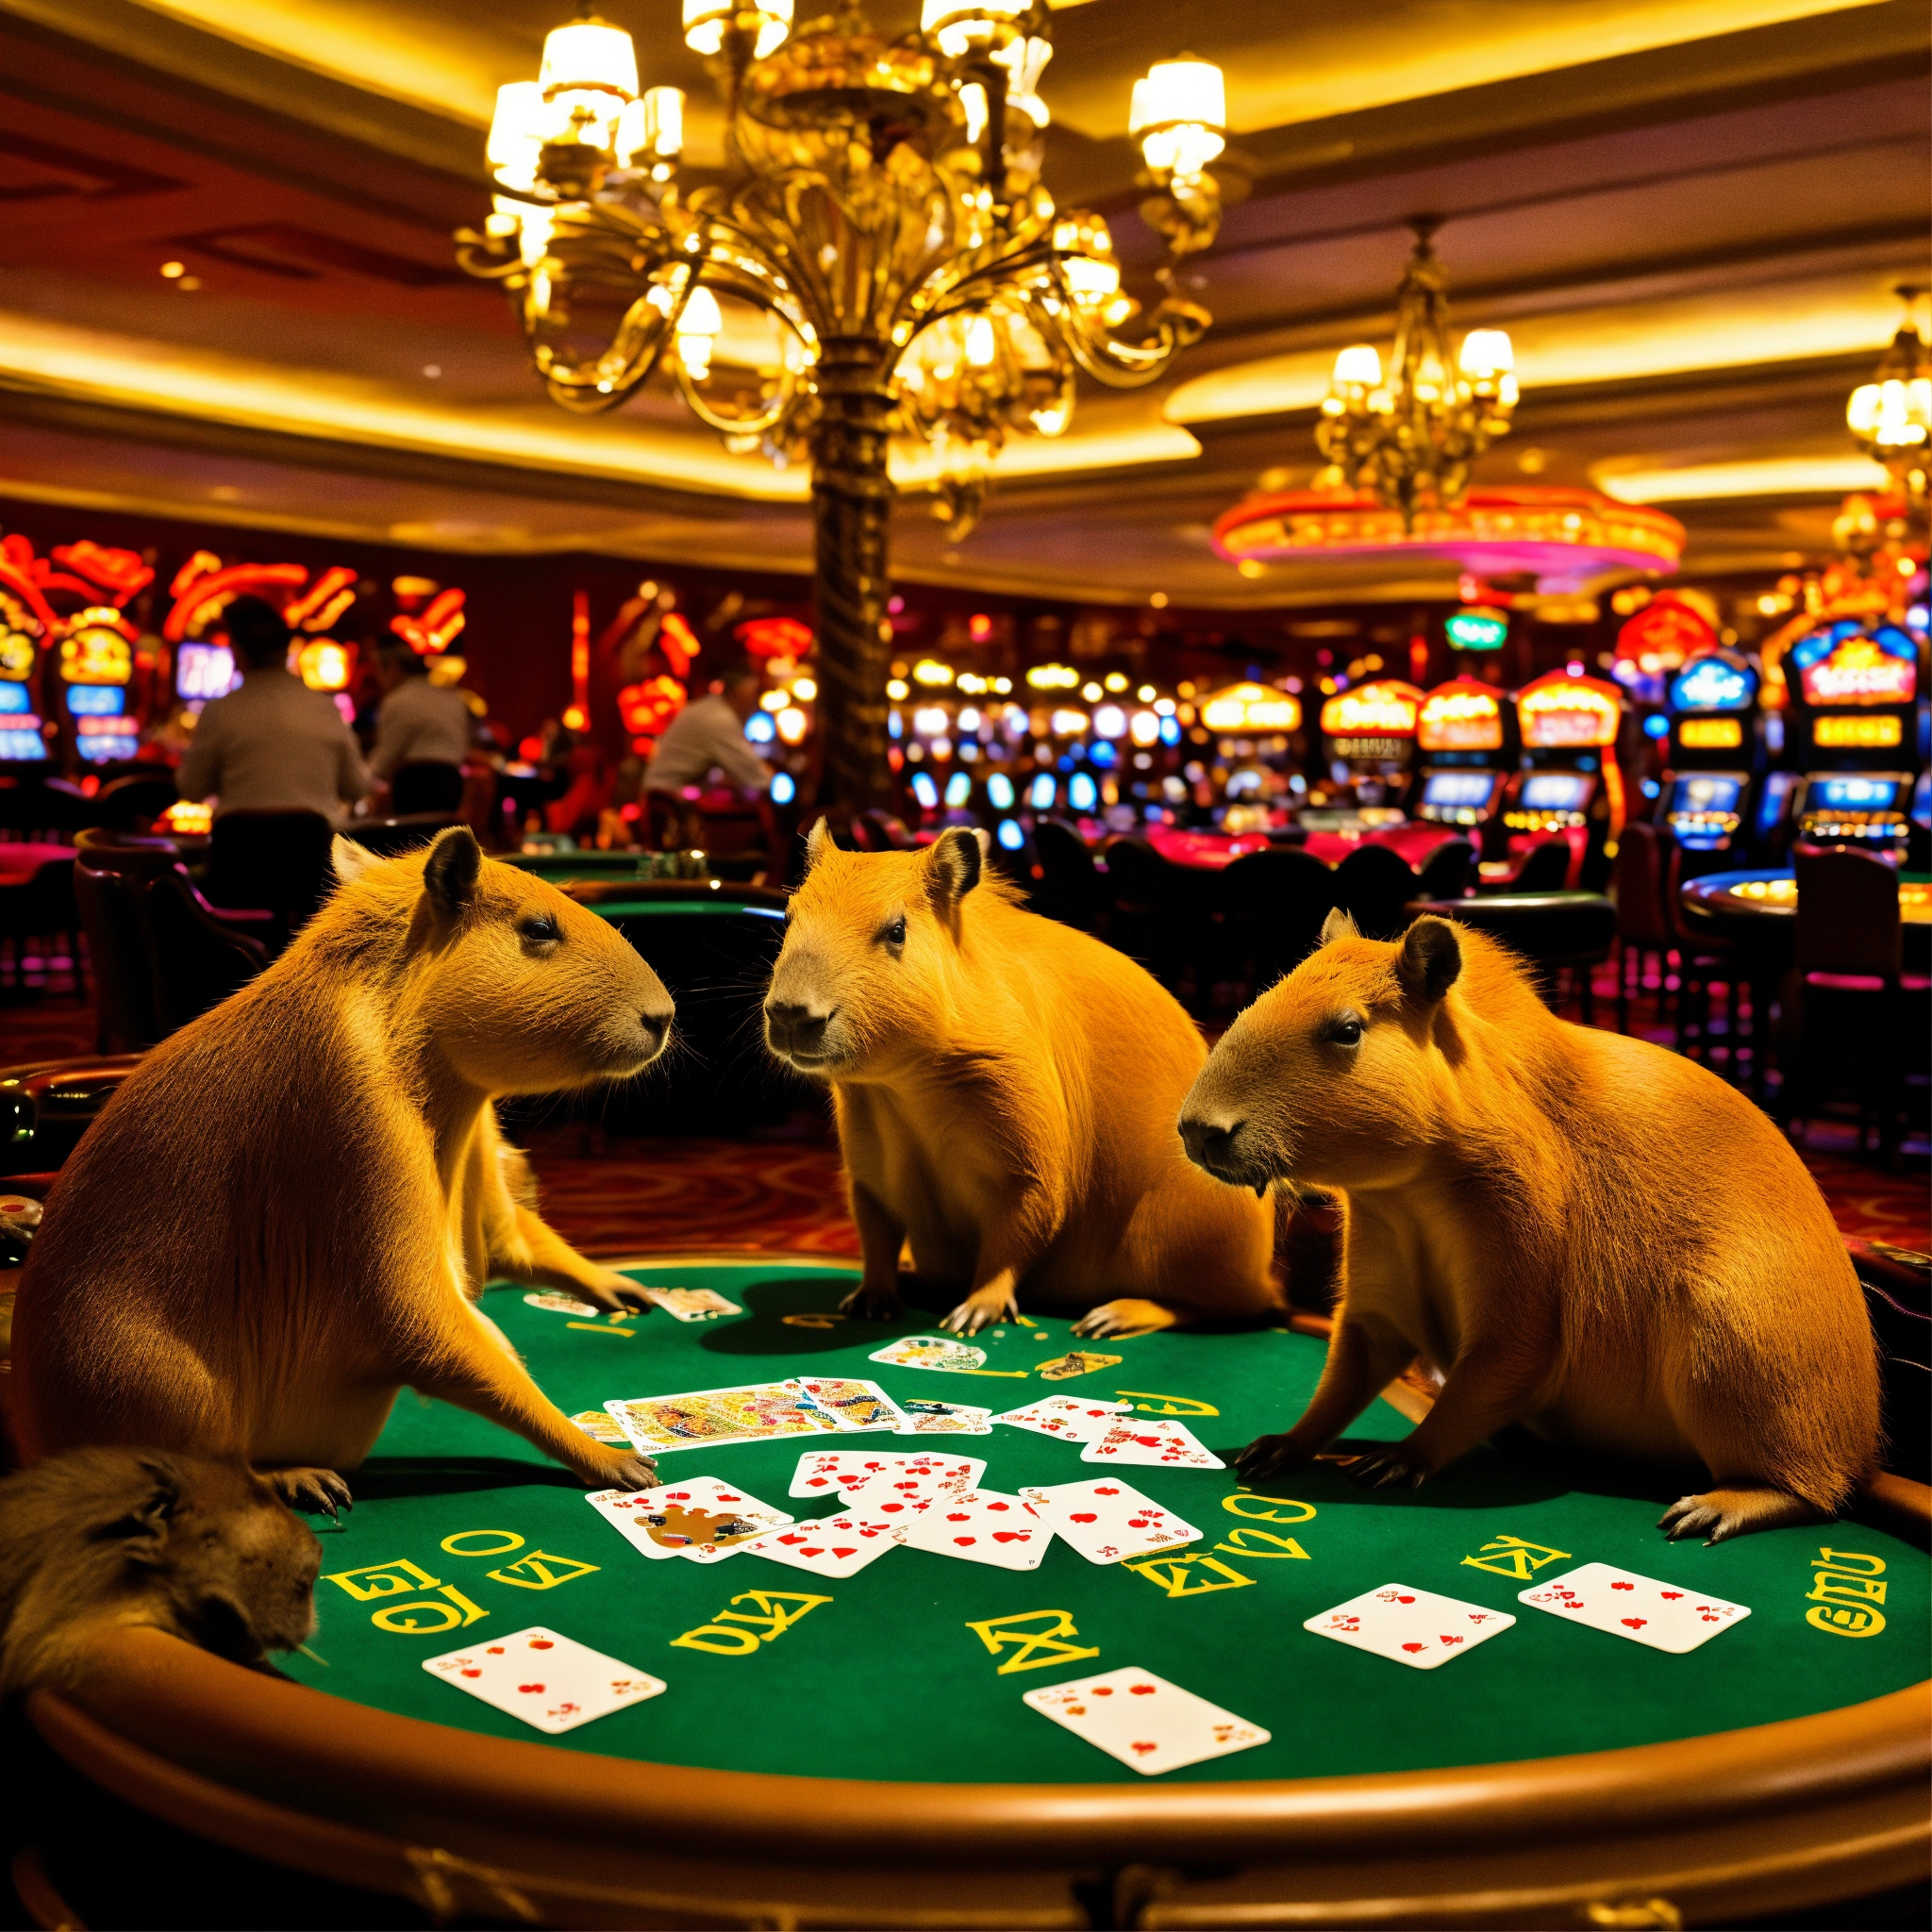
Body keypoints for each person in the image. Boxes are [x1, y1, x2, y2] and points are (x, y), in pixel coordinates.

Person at [175, 597, 368, 823]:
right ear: (288, 651)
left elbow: (191, 789)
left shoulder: (220, 711)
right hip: (315, 853)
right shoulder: (326, 708)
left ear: (237, 653)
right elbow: (358, 787)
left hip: (242, 853)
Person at [368, 643, 473, 815]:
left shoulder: (397, 700)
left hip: (412, 792)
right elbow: (463, 750)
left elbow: (383, 762)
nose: (378, 680)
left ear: (393, 667)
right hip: (453, 792)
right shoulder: (453, 699)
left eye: (378, 670)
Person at [644, 667, 771, 797]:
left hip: (665, 796)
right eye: (754, 692)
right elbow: (757, 777)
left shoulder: (710, 708)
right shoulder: (718, 718)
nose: (755, 700)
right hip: (666, 802)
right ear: (738, 692)